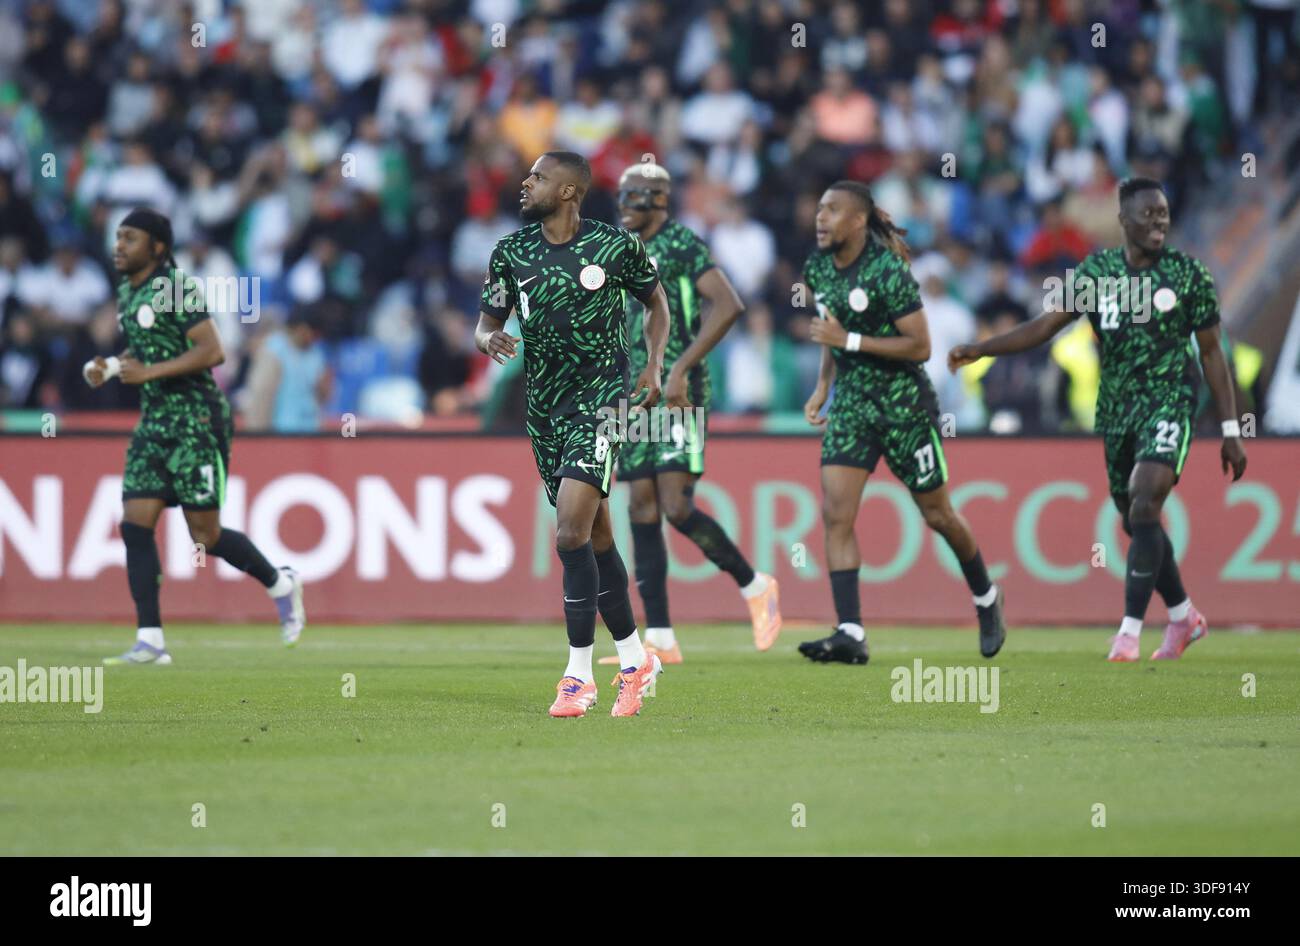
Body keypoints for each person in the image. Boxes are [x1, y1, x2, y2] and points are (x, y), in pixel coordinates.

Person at [949, 178, 1246, 661]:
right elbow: (1046, 326)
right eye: (1148, 214)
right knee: (1136, 518)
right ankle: (1184, 616)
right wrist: (983, 349)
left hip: (1169, 402)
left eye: (1164, 213)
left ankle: (1128, 631)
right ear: (1123, 221)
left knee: (1147, 502)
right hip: (1116, 412)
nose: (1159, 222)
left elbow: (1212, 353)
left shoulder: (1189, 274)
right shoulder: (1097, 273)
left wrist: (1232, 430)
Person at [475, 153, 677, 718]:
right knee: (597, 538)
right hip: (543, 409)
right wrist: (487, 340)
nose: (525, 183)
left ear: (568, 191)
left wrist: (654, 365)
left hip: (603, 402)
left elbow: (655, 302)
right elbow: (487, 321)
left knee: (568, 534)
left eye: (537, 178)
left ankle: (577, 676)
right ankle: (637, 660)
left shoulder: (614, 247)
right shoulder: (510, 252)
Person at [84, 208, 305, 665]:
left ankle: (280, 582)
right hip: (155, 422)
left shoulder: (175, 288)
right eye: (117, 237)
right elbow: (144, 348)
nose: (118, 245)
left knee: (204, 535)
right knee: (134, 525)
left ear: (158, 247)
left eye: (130, 238)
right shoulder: (128, 291)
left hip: (196, 421)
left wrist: (148, 373)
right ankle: (151, 641)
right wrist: (109, 366)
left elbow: (213, 350)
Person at [800, 182, 1007, 665]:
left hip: (903, 406)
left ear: (857, 221)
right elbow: (830, 334)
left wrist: (848, 342)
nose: (821, 217)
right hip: (852, 403)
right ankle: (850, 631)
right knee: (836, 513)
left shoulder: (887, 271)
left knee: (937, 514)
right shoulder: (817, 267)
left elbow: (920, 347)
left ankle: (986, 596)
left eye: (832, 210)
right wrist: (823, 385)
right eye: (819, 208)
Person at [599, 161, 781, 669]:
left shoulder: (682, 245)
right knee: (639, 506)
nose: (624, 205)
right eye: (621, 195)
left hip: (680, 391)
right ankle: (659, 635)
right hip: (633, 392)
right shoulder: (618, 249)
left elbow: (728, 305)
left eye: (634, 196)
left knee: (676, 505)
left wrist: (679, 368)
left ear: (659, 200)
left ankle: (755, 583)